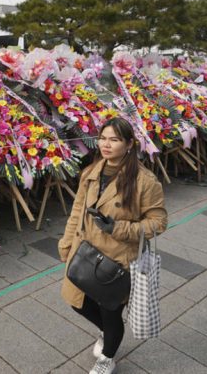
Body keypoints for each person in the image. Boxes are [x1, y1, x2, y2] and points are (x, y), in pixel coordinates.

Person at [58, 117, 167, 374]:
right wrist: (65, 242)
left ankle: (107, 358)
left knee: (110, 312)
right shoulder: (91, 172)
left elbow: (158, 222)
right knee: (76, 301)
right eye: (103, 138)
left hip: (117, 257)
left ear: (129, 144)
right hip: (84, 251)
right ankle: (106, 333)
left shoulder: (144, 180)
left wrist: (118, 228)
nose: (106, 145)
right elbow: (77, 211)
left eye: (114, 140)